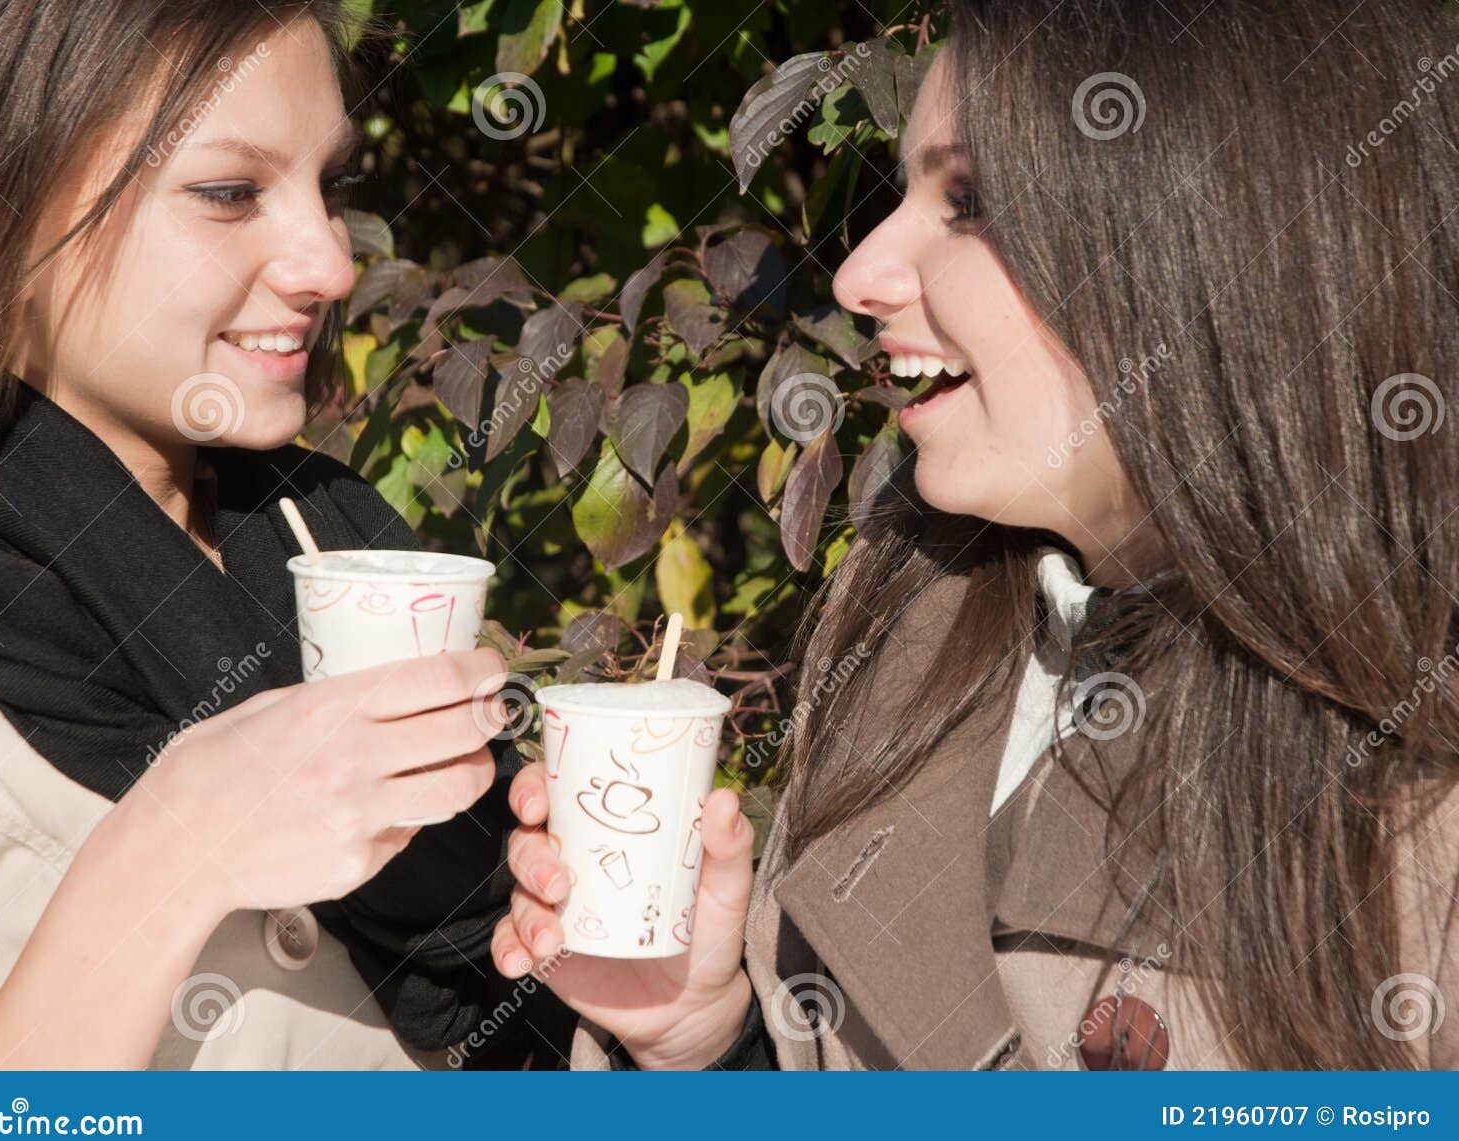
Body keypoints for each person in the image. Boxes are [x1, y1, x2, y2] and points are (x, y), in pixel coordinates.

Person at [492, 0, 1459, 1070]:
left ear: (1220, 238)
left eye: (971, 200)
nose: (858, 273)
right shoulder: (906, 623)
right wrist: (703, 1039)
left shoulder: (1411, 791)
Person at [0, 0, 564, 1069]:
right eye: (230, 194)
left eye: (329, 188)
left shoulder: (321, 538)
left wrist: (670, 1021)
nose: (329, 264)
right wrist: (175, 850)